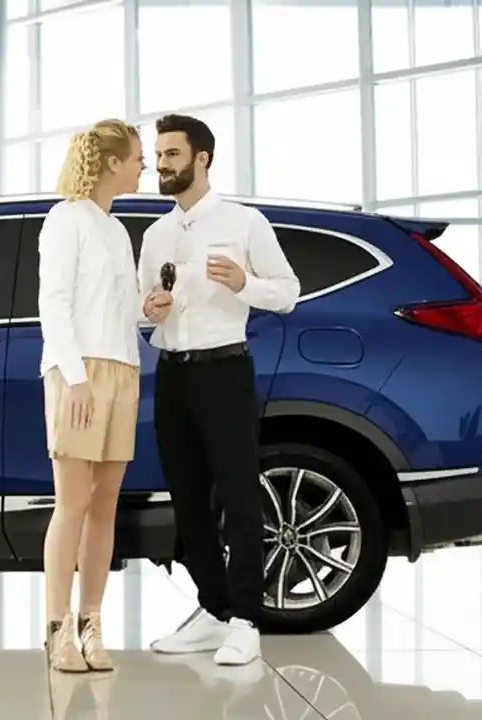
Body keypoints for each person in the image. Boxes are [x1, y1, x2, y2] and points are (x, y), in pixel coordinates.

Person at [139, 114, 300, 666]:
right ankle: (212, 609)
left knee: (238, 493)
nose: (161, 165)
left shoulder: (244, 222)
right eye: (158, 156)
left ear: (202, 158)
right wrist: (150, 309)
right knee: (187, 496)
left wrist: (244, 284)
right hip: (173, 373)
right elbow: (146, 303)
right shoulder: (156, 234)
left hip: (226, 371)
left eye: (172, 155)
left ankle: (246, 619)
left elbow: (288, 292)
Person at [37, 118, 145, 673]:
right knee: (72, 502)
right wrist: (76, 377)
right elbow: (53, 304)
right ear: (111, 164)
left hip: (123, 369)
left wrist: (148, 313)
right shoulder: (65, 219)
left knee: (105, 507)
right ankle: (57, 632)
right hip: (76, 372)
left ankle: (92, 627)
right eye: (137, 156)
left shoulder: (117, 229)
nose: (143, 164)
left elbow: (120, 310)